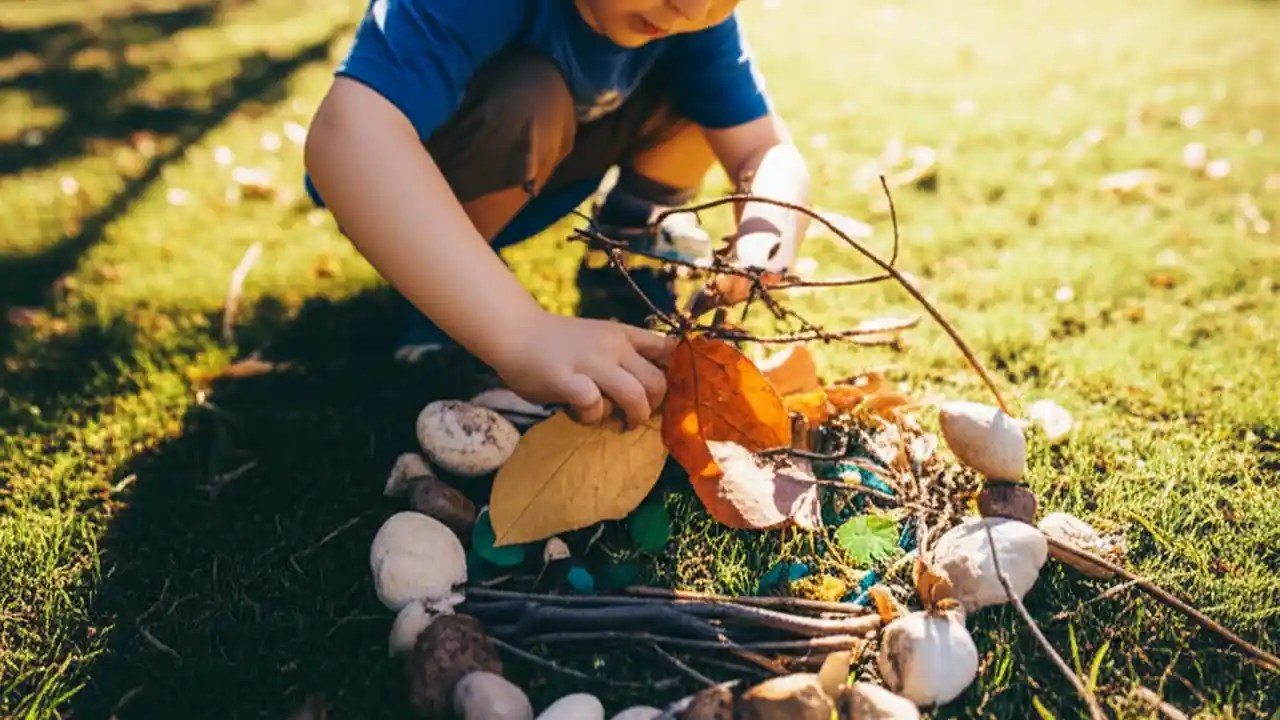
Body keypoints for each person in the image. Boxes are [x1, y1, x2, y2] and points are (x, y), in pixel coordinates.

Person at [304, 0, 811, 429]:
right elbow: (349, 134)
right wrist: (520, 332)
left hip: (558, 164)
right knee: (529, 94)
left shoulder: (685, 17)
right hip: (418, 192)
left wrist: (764, 234)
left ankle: (625, 255)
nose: (693, 9)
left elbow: (762, 148)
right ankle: (443, 298)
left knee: (707, 102)